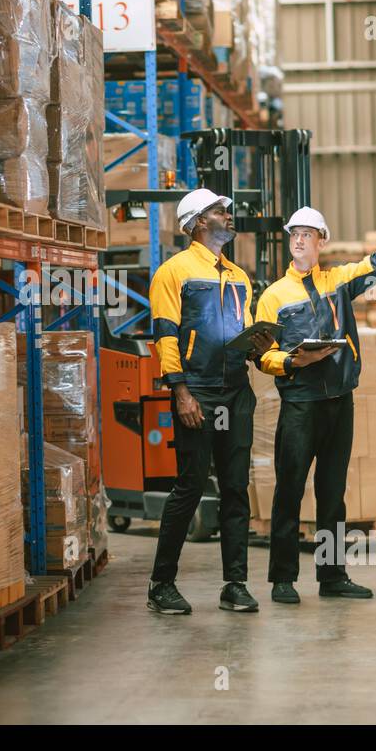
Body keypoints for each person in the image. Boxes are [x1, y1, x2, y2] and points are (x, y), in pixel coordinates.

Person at [254, 189, 376, 603]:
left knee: (333, 492)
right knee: (288, 490)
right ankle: (282, 579)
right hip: (300, 405)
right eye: (294, 235)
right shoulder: (273, 296)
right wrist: (291, 363)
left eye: (307, 234)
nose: (299, 241)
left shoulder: (339, 281)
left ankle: (332, 576)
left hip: (340, 401)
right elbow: (261, 353)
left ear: (322, 241)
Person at [145, 188, 276, 615]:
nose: (229, 215)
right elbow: (165, 334)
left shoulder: (238, 276)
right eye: (221, 211)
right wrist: (179, 390)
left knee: (237, 489)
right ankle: (161, 584)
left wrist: (267, 350)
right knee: (190, 486)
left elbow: (240, 334)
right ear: (200, 222)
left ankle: (234, 584)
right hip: (197, 392)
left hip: (236, 390)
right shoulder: (173, 272)